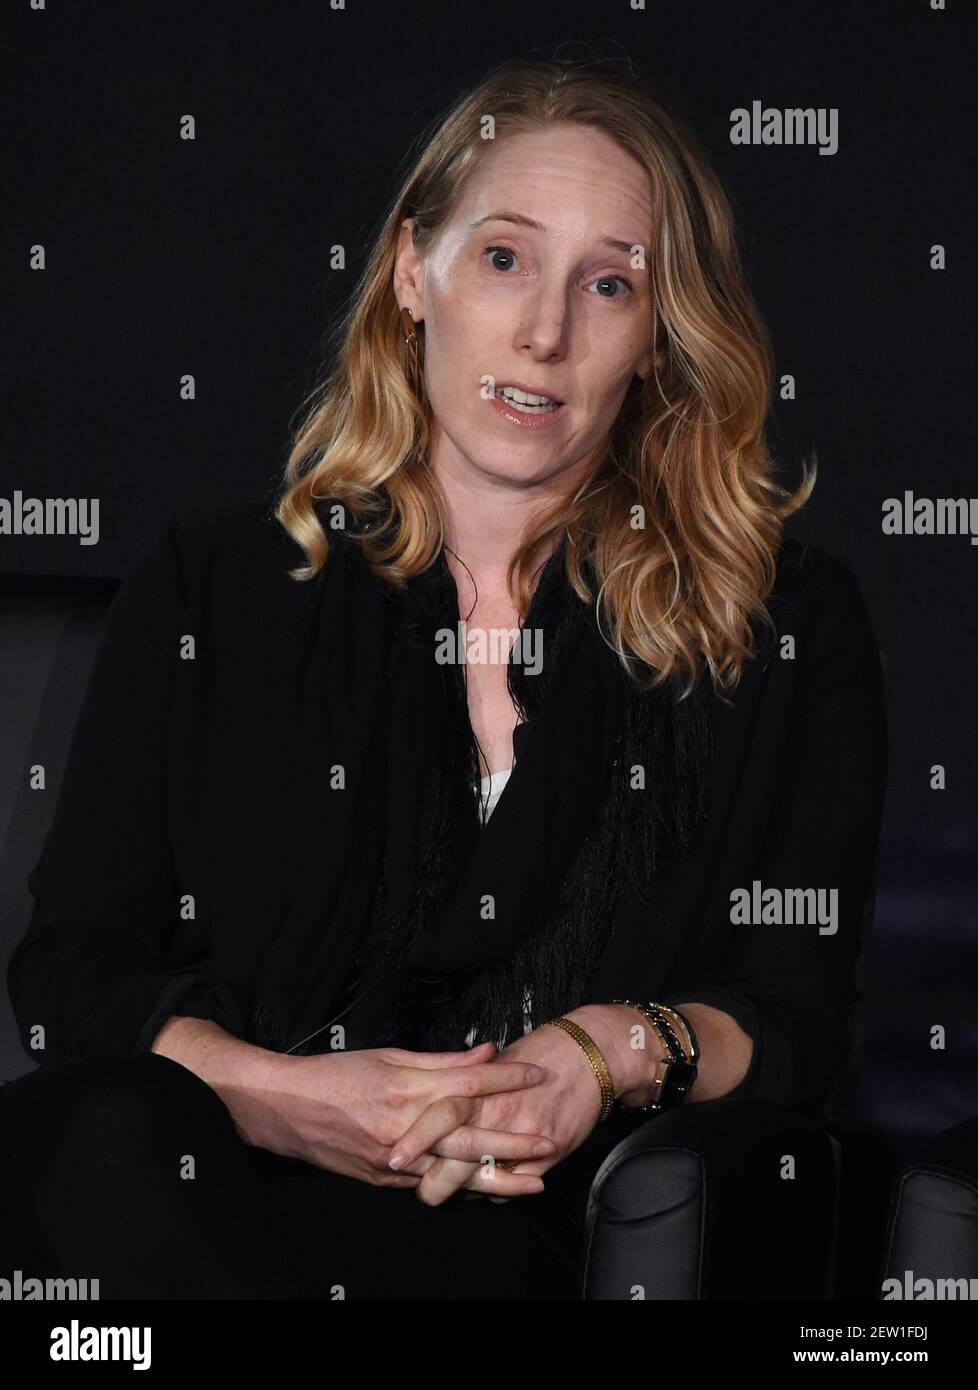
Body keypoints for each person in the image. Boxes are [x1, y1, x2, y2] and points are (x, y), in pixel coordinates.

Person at [1, 57, 887, 1300]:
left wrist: (605, 1053)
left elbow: (795, 1022)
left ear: (656, 339)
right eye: (506, 259)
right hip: (184, 1174)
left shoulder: (784, 622)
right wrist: (285, 1101)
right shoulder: (215, 588)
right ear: (414, 273)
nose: (545, 332)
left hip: (503, 1220)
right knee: (123, 1132)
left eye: (611, 283)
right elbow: (71, 971)